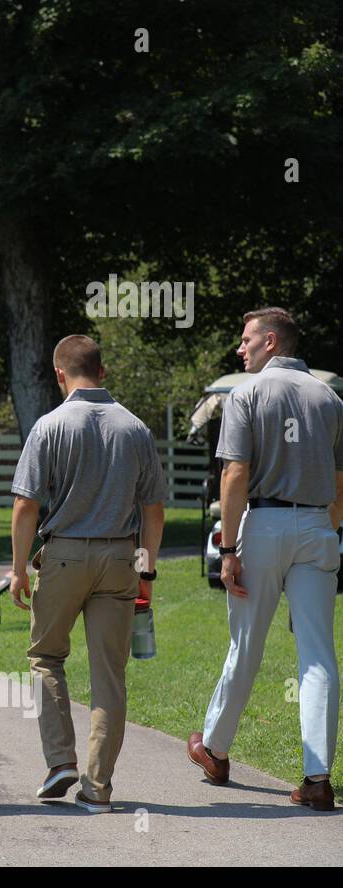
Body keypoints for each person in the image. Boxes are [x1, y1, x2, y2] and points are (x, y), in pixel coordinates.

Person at [189, 308, 343, 811]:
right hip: (318, 526)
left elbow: (235, 474)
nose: (241, 347)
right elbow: (340, 483)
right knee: (318, 655)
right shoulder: (331, 399)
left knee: (246, 646)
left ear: (271, 342)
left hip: (265, 525)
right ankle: (317, 779)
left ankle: (215, 750)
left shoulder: (246, 394)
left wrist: (228, 548)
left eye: (246, 338)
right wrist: (328, 533)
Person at [10, 334, 166, 814]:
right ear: (102, 371)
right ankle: (98, 787)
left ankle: (60, 760)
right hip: (120, 557)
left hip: (63, 556)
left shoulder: (49, 426)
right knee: (109, 676)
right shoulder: (135, 429)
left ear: (61, 374)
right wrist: (147, 569)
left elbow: (25, 505)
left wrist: (17, 569)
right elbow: (154, 510)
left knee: (46, 658)